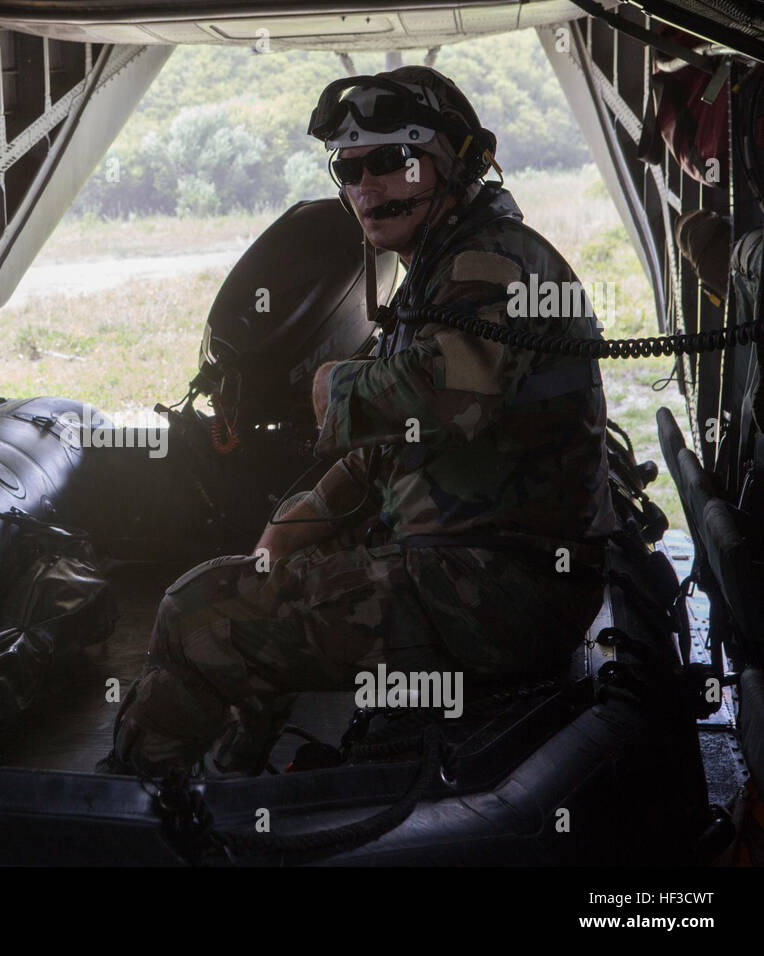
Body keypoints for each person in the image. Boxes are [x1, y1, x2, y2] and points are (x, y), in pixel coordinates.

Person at [99, 65, 619, 777]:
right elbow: (395, 450)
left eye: (391, 161)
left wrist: (329, 385)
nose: (366, 186)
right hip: (472, 573)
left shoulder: (496, 265)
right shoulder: (444, 265)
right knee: (246, 583)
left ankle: (139, 817)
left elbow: (445, 396)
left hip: (503, 592)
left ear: (453, 164)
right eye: (349, 168)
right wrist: (298, 521)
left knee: (197, 618)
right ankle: (234, 785)